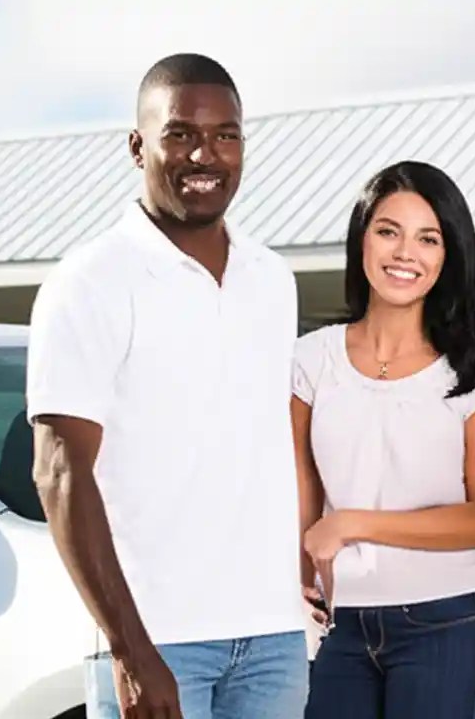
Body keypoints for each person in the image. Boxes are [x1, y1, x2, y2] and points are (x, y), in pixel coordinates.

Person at [26, 53, 307, 719]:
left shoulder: (273, 280)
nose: (205, 154)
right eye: (180, 133)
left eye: (225, 135)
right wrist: (129, 648)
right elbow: (60, 473)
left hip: (274, 638)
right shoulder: (89, 281)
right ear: (137, 146)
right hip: (157, 638)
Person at [292, 160, 475, 718]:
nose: (404, 253)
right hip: (340, 632)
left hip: (453, 626)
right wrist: (298, 583)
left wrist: (352, 524)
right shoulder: (311, 359)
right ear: (362, 238)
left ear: (449, 255)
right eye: (388, 231)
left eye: (428, 238)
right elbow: (300, 490)